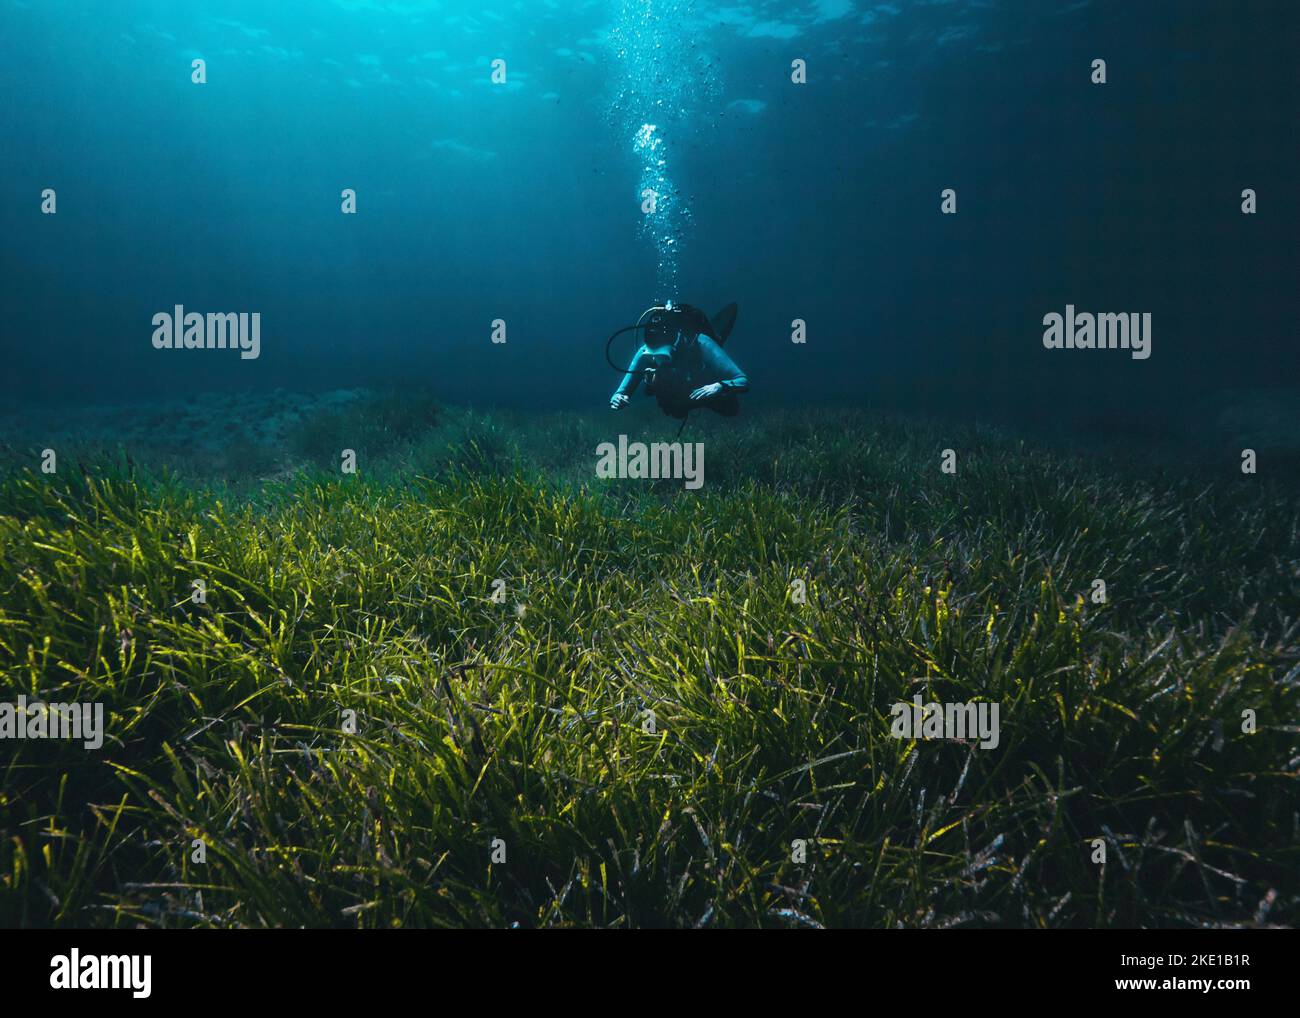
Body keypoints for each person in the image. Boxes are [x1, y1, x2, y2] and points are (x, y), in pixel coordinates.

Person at [608, 303, 749, 419]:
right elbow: (621, 392)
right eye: (652, 355)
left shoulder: (702, 344)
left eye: (662, 356)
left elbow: (742, 380)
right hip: (678, 401)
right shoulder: (644, 352)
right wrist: (618, 397)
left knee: (731, 410)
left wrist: (719, 386)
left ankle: (717, 338)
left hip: (705, 389)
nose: (656, 360)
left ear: (675, 344)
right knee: (675, 411)